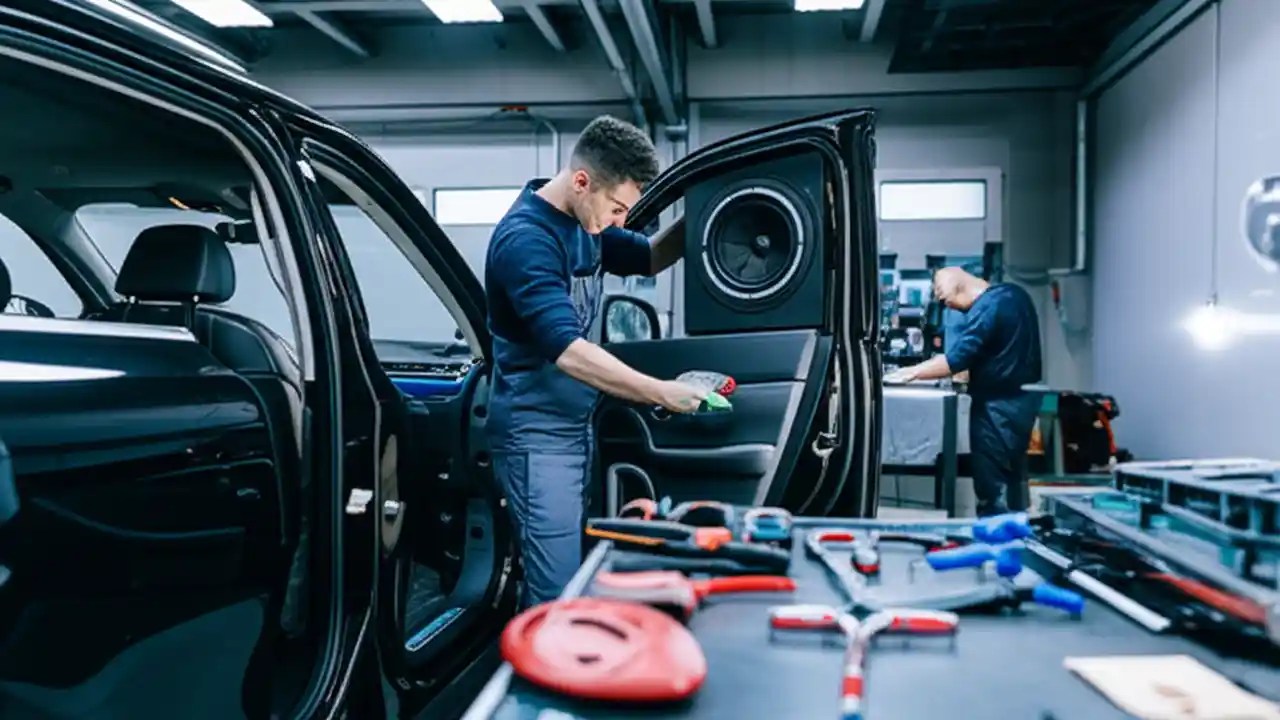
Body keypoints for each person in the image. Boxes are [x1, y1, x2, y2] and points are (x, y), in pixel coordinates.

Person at [484, 115, 708, 608]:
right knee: (555, 597)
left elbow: (650, 256)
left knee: (570, 578)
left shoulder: (588, 219)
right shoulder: (527, 240)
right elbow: (569, 351)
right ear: (583, 181)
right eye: (618, 207)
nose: (620, 221)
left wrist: (712, 210)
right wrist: (662, 391)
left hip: (575, 430)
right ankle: (531, 681)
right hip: (536, 440)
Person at [884, 267, 1042, 517]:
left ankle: (994, 544)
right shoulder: (1014, 295)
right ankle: (1014, 542)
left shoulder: (990, 304)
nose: (945, 304)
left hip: (997, 409)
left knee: (993, 491)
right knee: (1013, 486)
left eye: (940, 294)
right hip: (1020, 404)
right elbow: (1003, 354)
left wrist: (908, 373)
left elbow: (958, 357)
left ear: (953, 279)